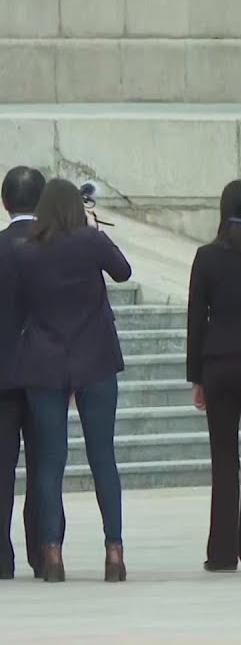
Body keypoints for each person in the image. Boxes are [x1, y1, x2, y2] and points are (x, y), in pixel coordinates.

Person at [11, 178, 131, 582]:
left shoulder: (28, 252)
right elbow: (122, 271)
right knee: (103, 458)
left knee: (49, 462)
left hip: (44, 359)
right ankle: (114, 551)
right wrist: (96, 231)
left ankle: (52, 554)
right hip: (94, 355)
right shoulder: (90, 241)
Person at [186, 179, 241, 573]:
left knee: (223, 460)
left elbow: (196, 321)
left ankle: (221, 552)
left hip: (218, 364)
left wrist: (196, 377)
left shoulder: (206, 257)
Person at [0, 166, 62, 580]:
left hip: (2, 378)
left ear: (5, 203)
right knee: (45, 467)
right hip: (46, 375)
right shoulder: (58, 249)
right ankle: (45, 552)